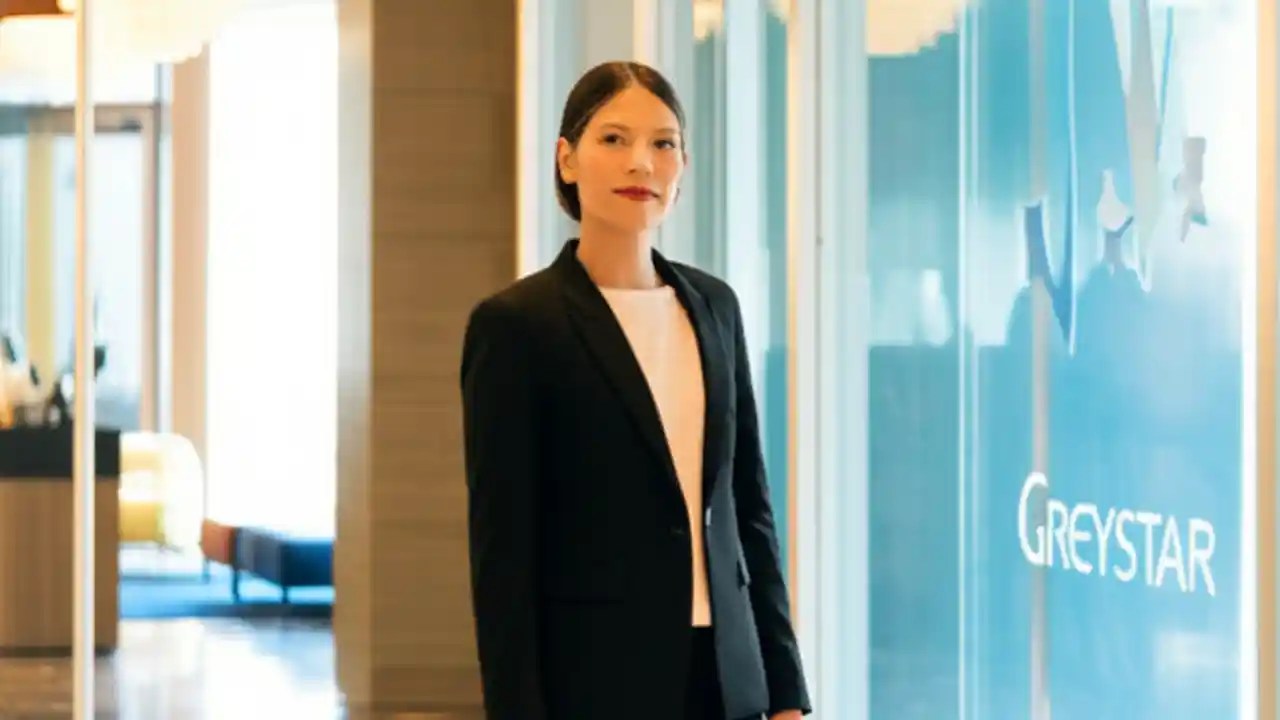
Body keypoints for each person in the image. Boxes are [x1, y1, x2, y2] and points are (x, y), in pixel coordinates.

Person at [459, 61, 811, 720]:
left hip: (727, 677)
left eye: (663, 142)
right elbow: (502, 555)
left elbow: (748, 509)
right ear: (567, 159)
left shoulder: (716, 307)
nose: (641, 163)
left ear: (682, 166)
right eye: (613, 140)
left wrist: (786, 689)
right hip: (594, 681)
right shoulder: (516, 326)